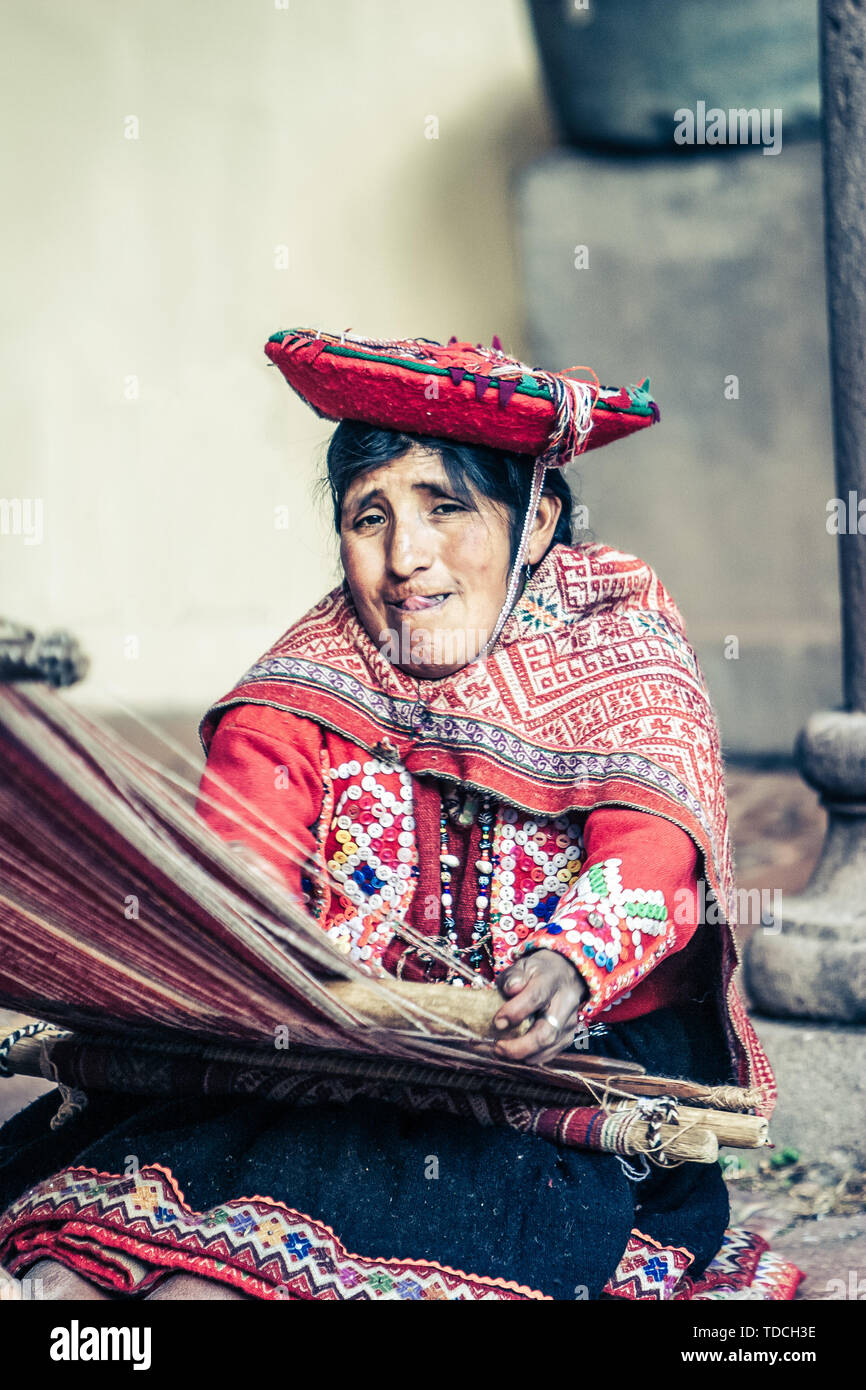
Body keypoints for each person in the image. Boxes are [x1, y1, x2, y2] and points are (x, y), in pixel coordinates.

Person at [0, 329, 792, 1302]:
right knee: (83, 1245)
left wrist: (567, 962)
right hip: (337, 1056)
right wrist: (251, 957)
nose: (405, 557)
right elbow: (241, 854)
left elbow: (651, 845)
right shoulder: (308, 681)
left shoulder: (619, 656)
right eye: (367, 517)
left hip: (551, 1071)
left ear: (535, 519)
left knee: (307, 1244)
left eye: (443, 508)